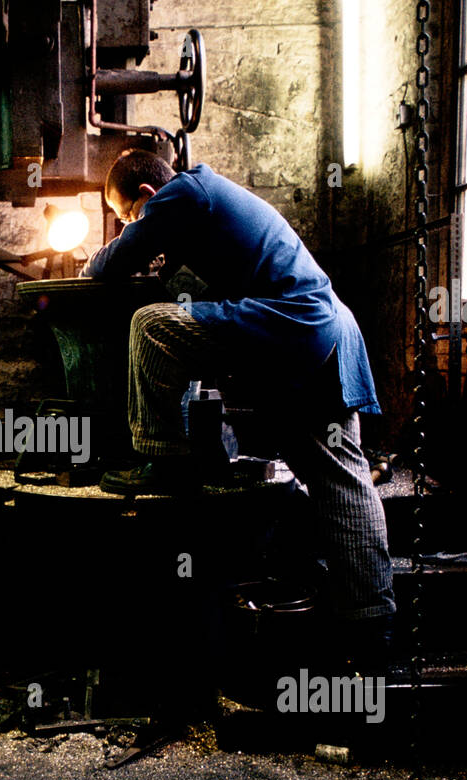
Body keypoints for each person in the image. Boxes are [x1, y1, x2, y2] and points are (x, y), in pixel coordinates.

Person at [82, 149, 396, 648]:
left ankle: (162, 460)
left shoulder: (186, 192)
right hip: (324, 331)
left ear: (146, 195)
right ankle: (366, 617)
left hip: (299, 325)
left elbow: (113, 264)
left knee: (151, 325)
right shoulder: (207, 210)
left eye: (126, 217)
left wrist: (93, 260)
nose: (129, 225)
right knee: (340, 479)